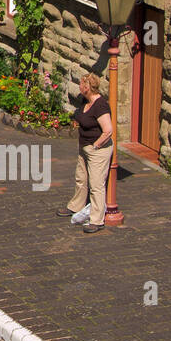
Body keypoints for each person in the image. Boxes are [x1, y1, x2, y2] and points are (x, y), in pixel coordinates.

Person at [57, 72, 113, 234]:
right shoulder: (85, 101)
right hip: (84, 147)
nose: (79, 87)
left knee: (96, 185)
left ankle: (97, 220)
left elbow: (108, 130)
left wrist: (96, 146)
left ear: (87, 87)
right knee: (81, 179)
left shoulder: (100, 105)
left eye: (81, 84)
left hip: (98, 150)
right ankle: (75, 206)